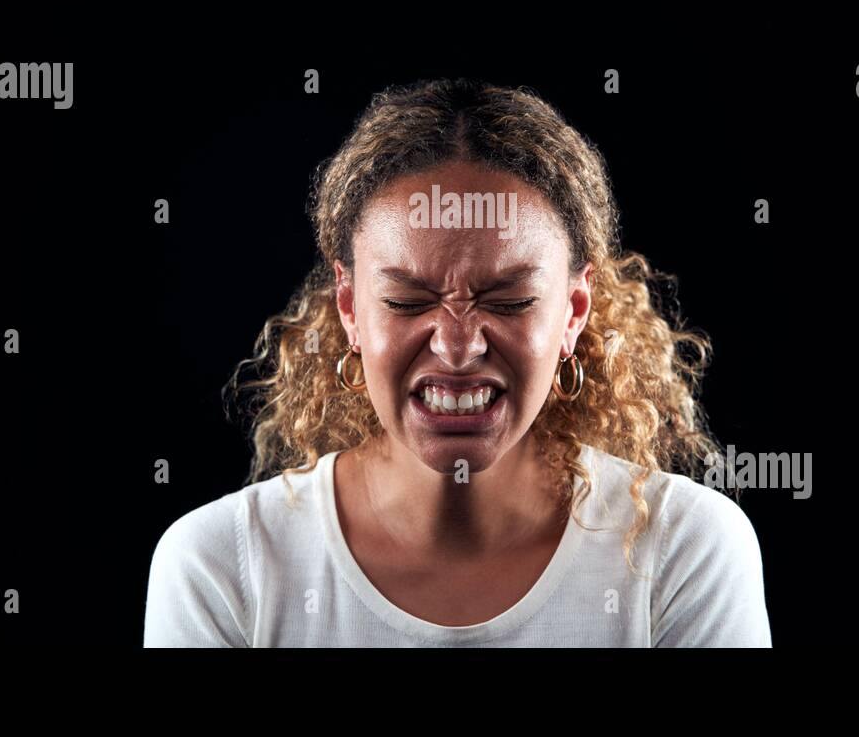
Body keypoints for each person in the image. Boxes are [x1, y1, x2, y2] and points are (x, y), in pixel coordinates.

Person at [143, 77, 772, 646]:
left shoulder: (684, 551)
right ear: (350, 308)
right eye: (407, 300)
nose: (458, 346)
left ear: (574, 311)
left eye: (510, 300)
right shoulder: (222, 567)